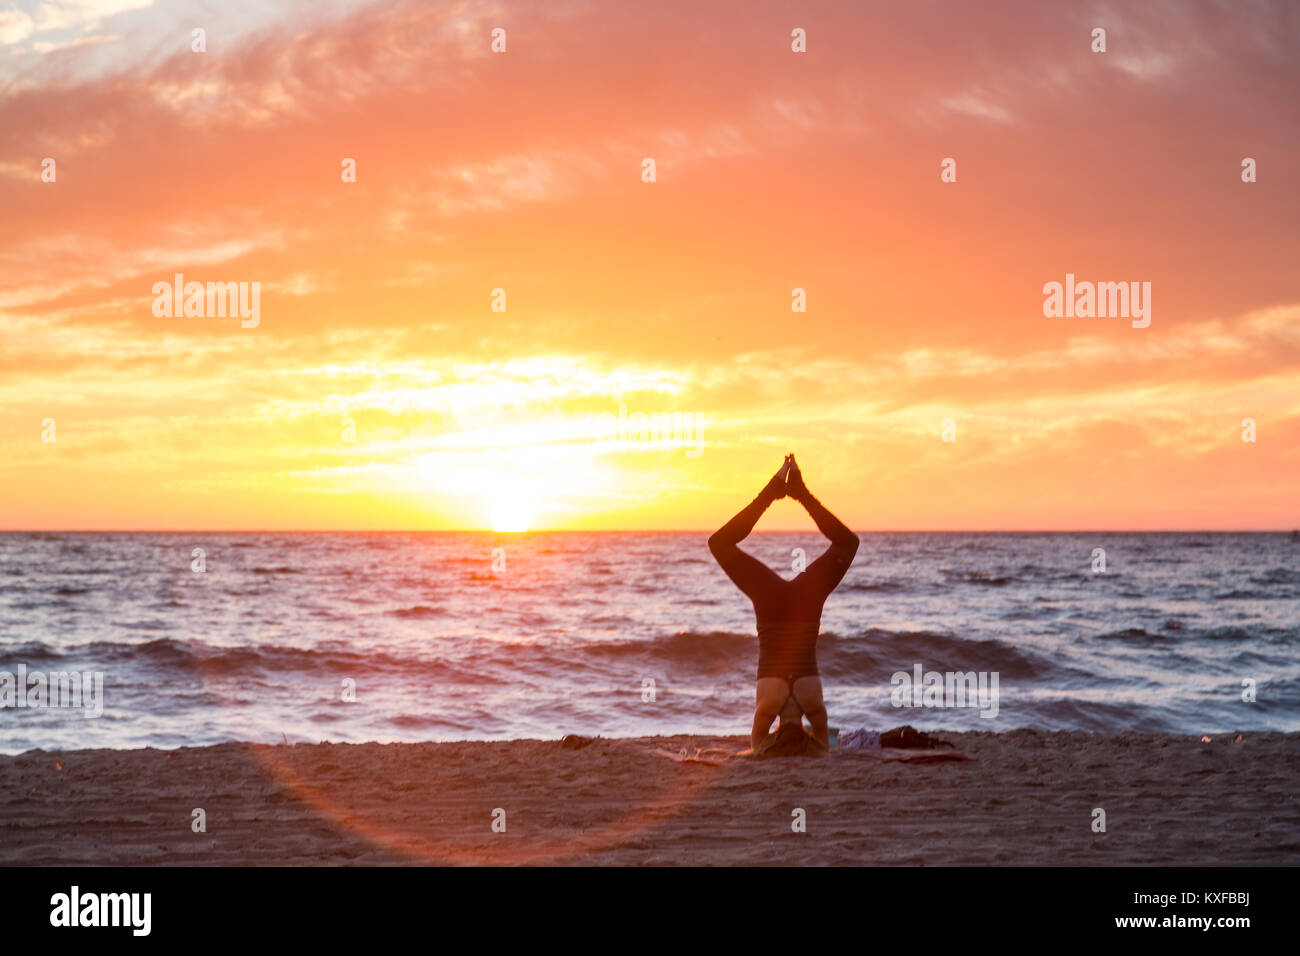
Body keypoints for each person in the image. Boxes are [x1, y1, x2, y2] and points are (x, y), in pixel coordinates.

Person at [708, 455, 859, 753]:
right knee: (720, 544)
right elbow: (760, 748)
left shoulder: (813, 706)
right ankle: (785, 492)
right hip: (773, 604)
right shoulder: (769, 706)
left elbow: (819, 747)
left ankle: (787, 492)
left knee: (847, 544)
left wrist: (806, 743)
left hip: (804, 603)